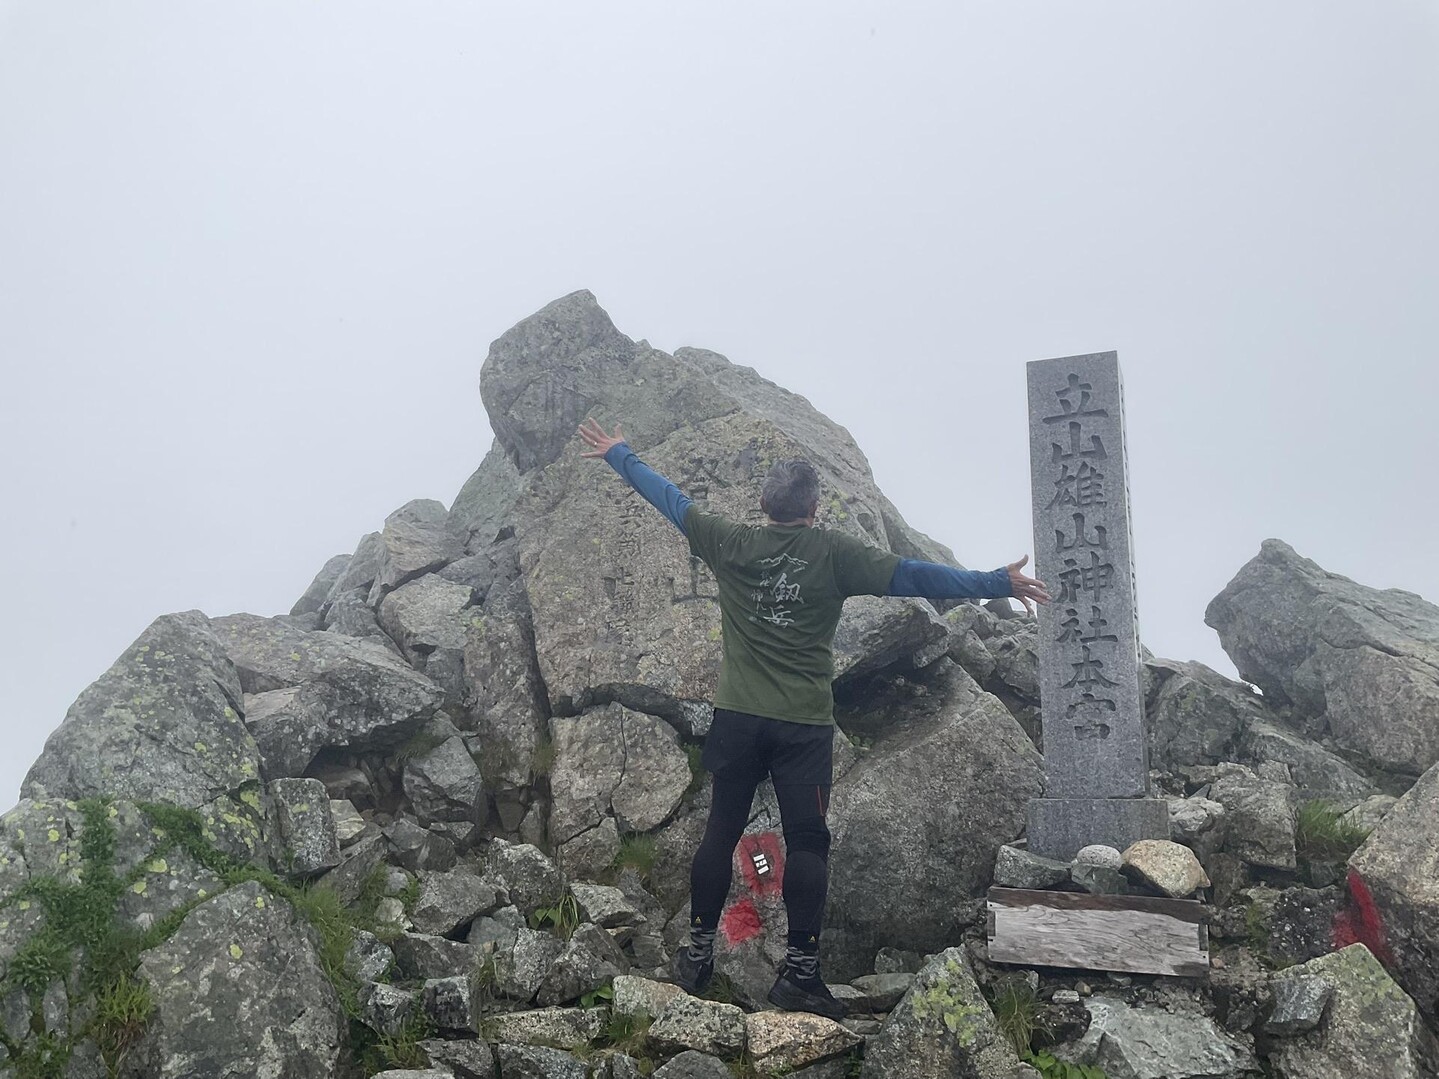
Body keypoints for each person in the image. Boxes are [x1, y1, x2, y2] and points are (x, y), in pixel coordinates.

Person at [577, 418, 1051, 1019]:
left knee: (721, 833)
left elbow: (670, 499)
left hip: (739, 718)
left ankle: (696, 957)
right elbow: (913, 575)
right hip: (802, 727)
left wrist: (621, 452)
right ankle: (800, 973)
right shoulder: (835, 554)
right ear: (815, 507)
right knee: (807, 842)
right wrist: (993, 581)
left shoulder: (729, 540)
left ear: (763, 506)